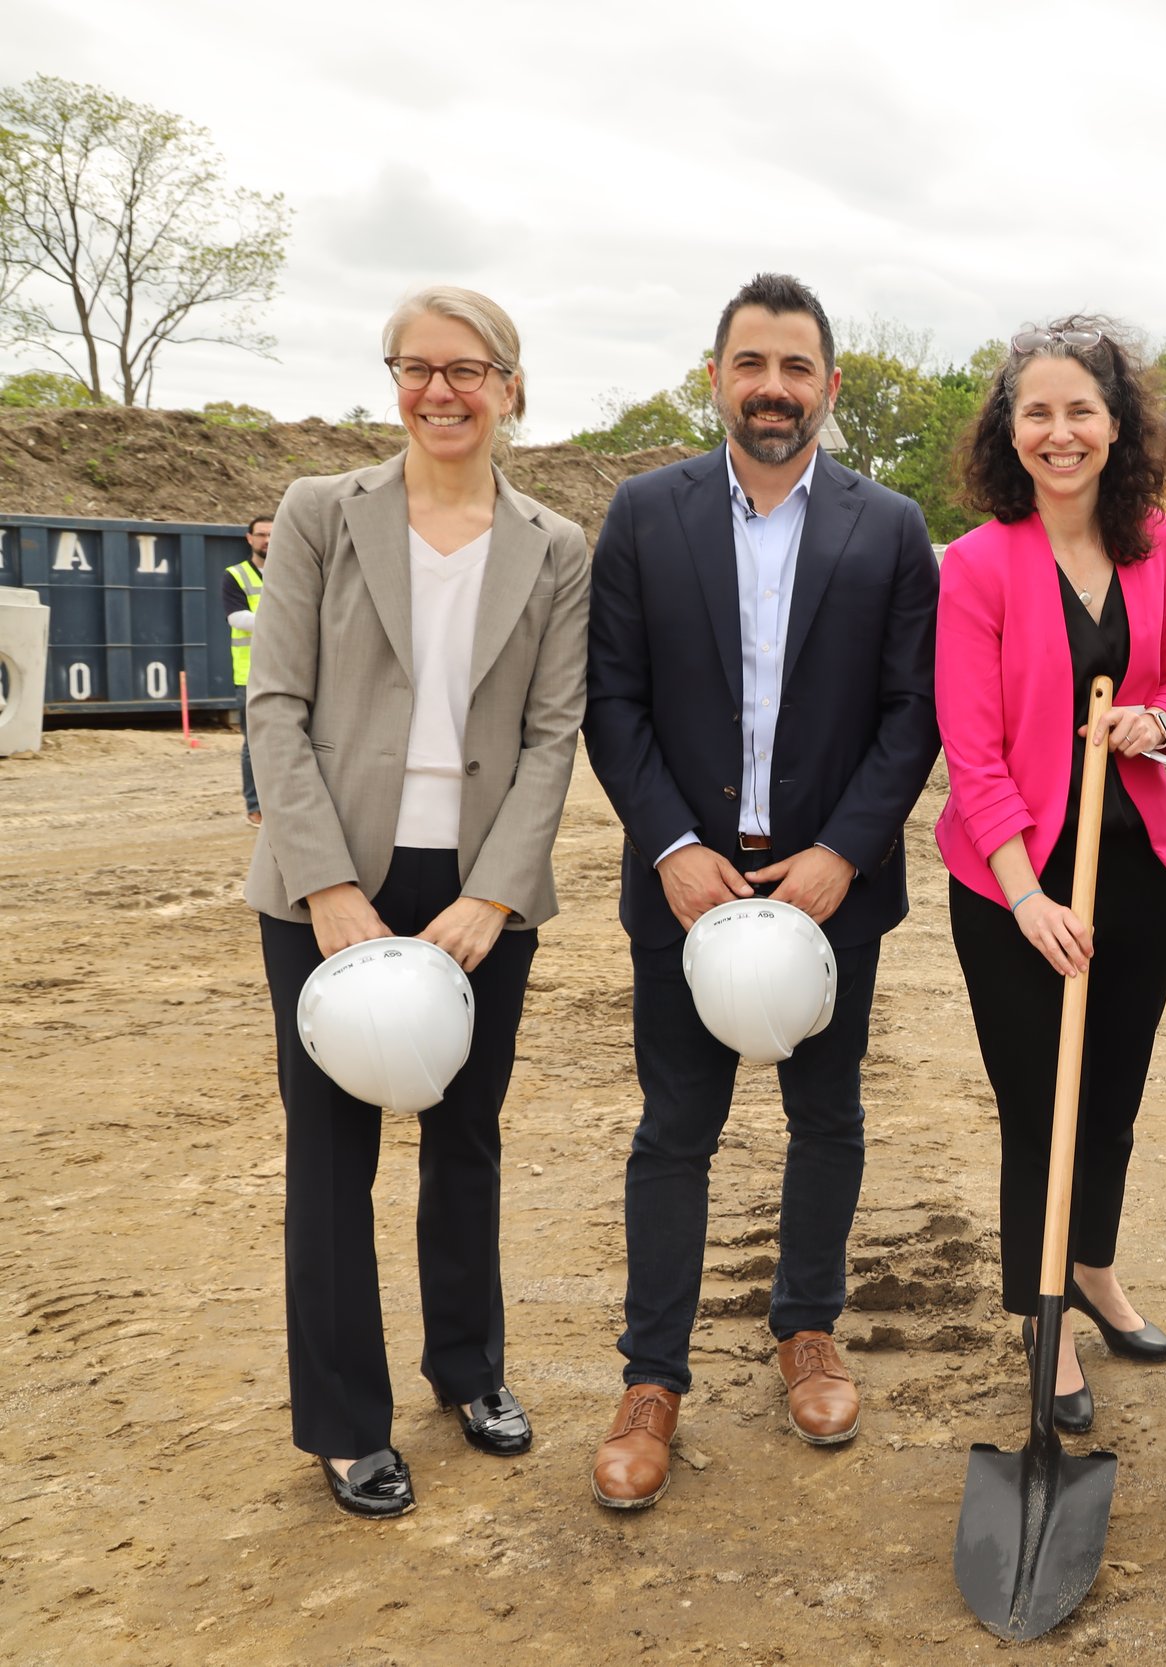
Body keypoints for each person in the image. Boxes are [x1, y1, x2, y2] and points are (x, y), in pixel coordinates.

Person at [581, 272, 939, 1510]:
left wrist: (845, 848)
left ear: (828, 387)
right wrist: (672, 843)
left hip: (828, 882)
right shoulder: (642, 514)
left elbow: (912, 711)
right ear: (716, 375)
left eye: (796, 368)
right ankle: (652, 1379)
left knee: (824, 1114)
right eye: (751, 364)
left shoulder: (890, 528)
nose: (773, 388)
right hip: (687, 880)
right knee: (674, 1128)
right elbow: (611, 701)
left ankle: (807, 1327)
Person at [245, 286, 589, 1517]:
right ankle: (344, 1418)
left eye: (467, 369)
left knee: (467, 1133)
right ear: (393, 380)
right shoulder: (320, 514)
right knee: (332, 1154)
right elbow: (274, 705)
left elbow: (555, 734)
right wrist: (327, 882)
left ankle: (468, 1367)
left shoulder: (554, 544)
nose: (439, 391)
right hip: (328, 880)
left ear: (509, 383)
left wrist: (495, 896)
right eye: (415, 367)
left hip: (477, 888)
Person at [935, 316, 1166, 1431]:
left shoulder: (1158, 541)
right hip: (1014, 880)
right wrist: (1027, 892)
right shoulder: (977, 561)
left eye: (1079, 411)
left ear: (1115, 424)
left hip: (1137, 860)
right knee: (1038, 1107)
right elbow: (973, 744)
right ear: (1010, 427)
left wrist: (1157, 716)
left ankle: (1092, 1266)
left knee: (1112, 1096)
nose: (1059, 432)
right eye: (1035, 412)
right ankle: (1044, 1322)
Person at [223, 512, 275, 824]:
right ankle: (255, 808)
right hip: (250, 674)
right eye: (261, 535)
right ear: (249, 538)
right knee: (254, 744)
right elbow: (236, 618)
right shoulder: (236, 575)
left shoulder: (292, 569)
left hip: (291, 669)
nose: (267, 541)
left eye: (272, 534)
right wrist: (284, 618)